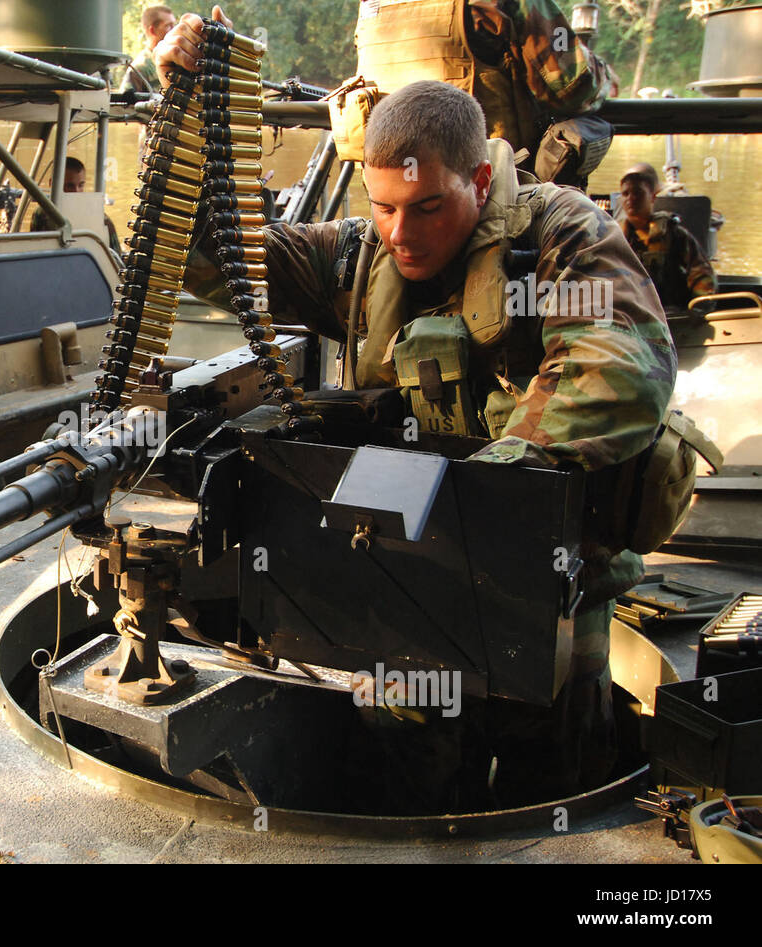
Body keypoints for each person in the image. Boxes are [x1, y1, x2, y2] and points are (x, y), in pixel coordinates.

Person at [160, 13, 674, 804]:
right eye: (384, 206)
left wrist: (483, 495)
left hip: (543, 579)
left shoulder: (562, 234)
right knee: (409, 786)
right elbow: (214, 257)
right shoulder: (366, 252)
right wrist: (186, 110)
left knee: (552, 795)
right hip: (409, 583)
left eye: (428, 207)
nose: (401, 233)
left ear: (476, 181)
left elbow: (621, 370)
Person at [342, 0, 619, 186]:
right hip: (489, 194)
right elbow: (573, 87)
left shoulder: (371, 5)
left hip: (394, 199)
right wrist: (605, 77)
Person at [617, 162, 716, 312]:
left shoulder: (675, 235)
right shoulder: (612, 238)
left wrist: (699, 307)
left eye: (638, 192)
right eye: (625, 194)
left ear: (653, 196)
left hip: (671, 314)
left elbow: (701, 272)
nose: (631, 198)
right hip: (628, 317)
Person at [28, 158, 121, 255]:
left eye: (81, 185)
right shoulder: (41, 215)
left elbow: (116, 260)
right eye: (70, 186)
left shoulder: (101, 220)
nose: (76, 191)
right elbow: (34, 252)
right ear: (52, 184)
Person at [120, 5, 176, 95]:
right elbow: (124, 105)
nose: (174, 30)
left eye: (174, 25)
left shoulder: (178, 61)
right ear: (152, 31)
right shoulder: (139, 69)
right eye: (168, 26)